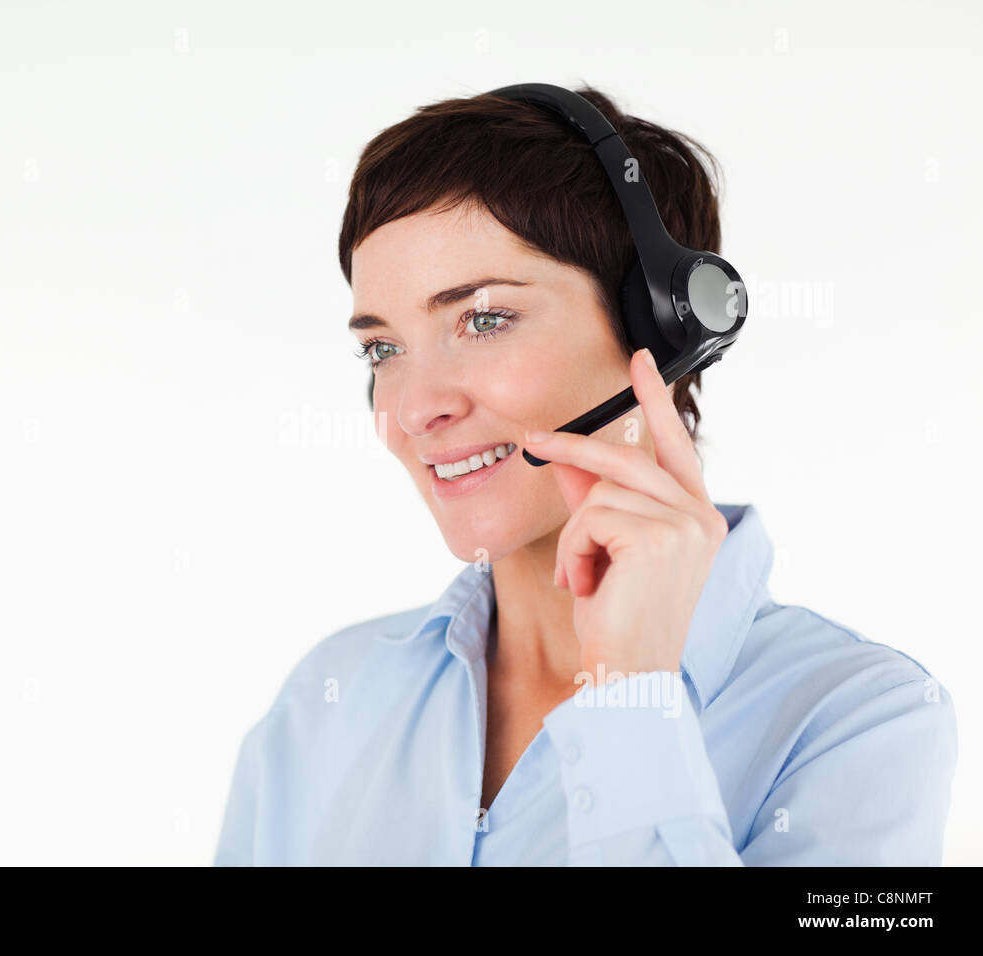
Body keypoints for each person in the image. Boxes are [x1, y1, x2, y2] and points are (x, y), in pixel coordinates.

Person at [213, 85, 957, 865]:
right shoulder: (324, 703)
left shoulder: (863, 721)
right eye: (383, 348)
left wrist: (632, 700)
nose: (415, 409)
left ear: (663, 329)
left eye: (483, 319)